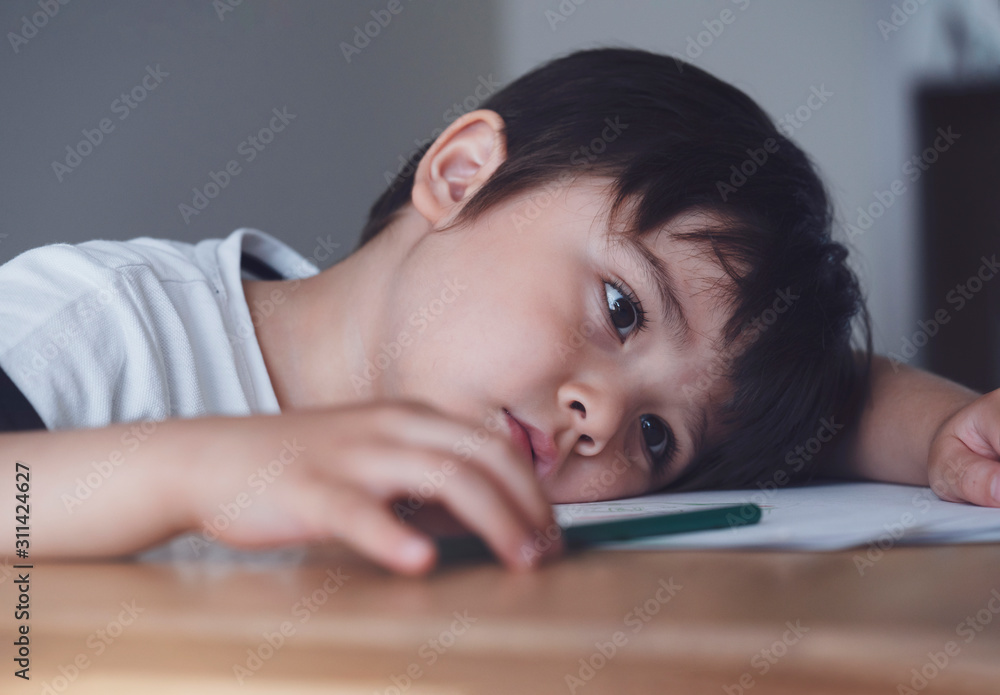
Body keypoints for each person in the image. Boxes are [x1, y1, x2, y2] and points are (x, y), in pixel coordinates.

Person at [2, 47, 997, 576]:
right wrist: (202, 469)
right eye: (619, 306)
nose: (603, 417)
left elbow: (812, 408)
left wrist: (949, 434)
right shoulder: (107, 327)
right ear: (463, 173)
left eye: (655, 435)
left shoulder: (529, 444)